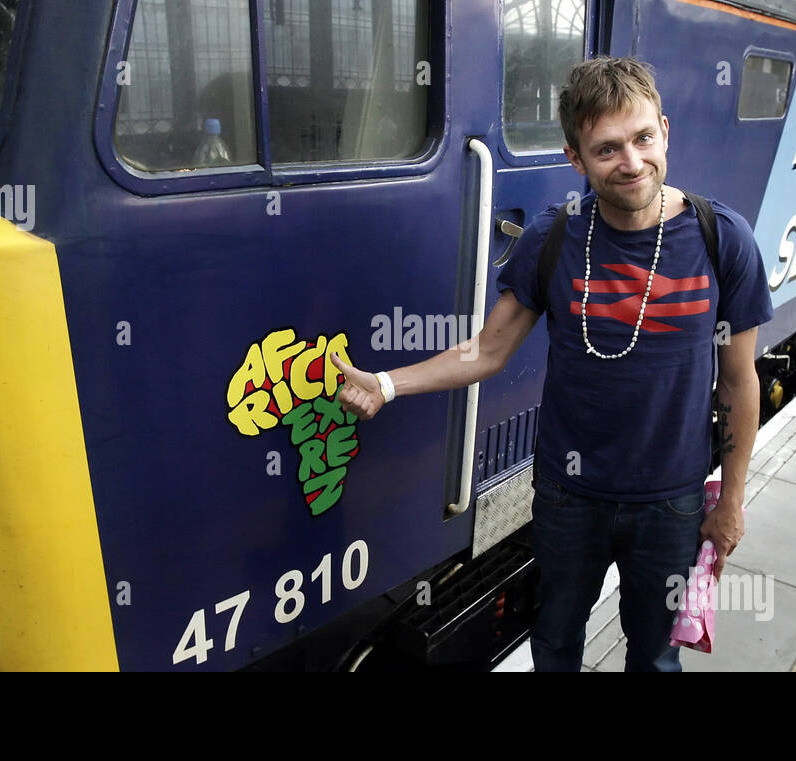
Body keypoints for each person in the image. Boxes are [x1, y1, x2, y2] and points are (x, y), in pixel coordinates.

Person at [331, 56, 773, 672]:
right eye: (607, 149)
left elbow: (738, 380)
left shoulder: (721, 238)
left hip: (671, 502)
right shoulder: (556, 237)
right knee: (555, 645)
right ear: (575, 158)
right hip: (571, 499)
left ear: (665, 131)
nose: (632, 162)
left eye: (644, 139)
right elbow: (488, 350)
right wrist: (385, 384)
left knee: (655, 659)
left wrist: (731, 500)